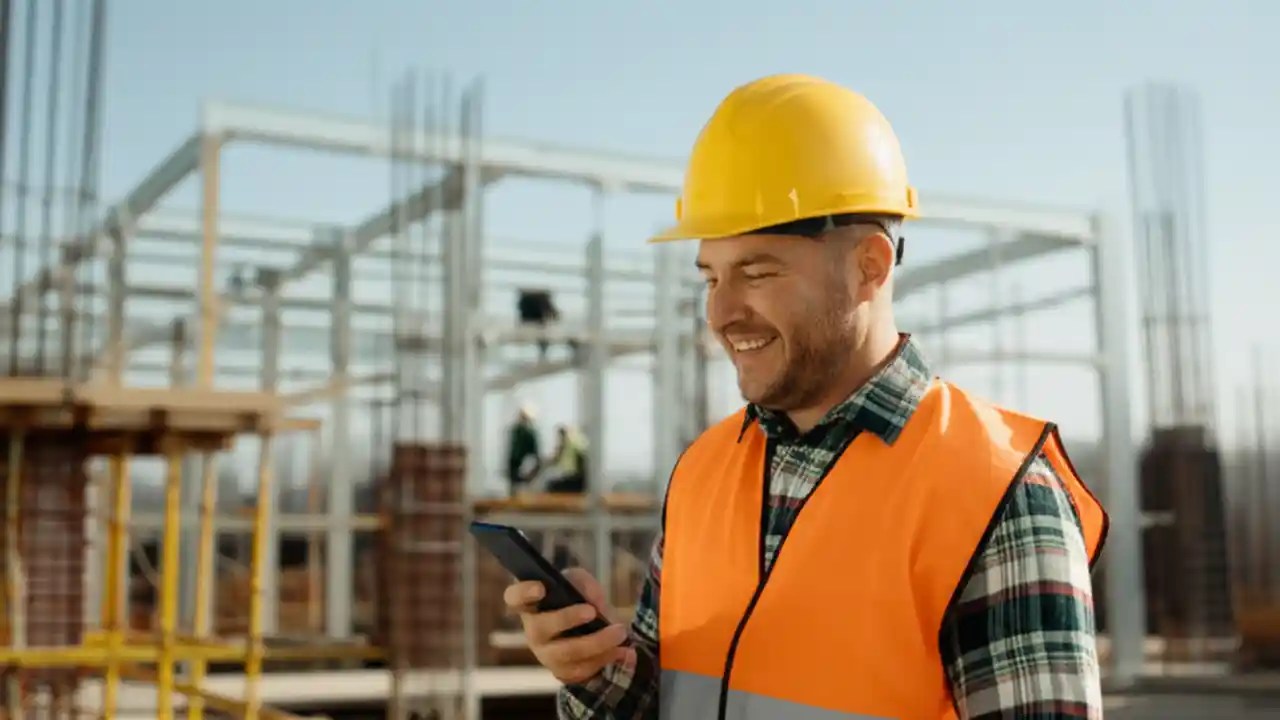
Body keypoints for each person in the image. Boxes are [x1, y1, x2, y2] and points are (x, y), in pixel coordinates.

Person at [503, 74, 1108, 719]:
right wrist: (597, 673)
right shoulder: (704, 472)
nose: (722, 312)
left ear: (870, 265)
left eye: (757, 272)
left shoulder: (995, 491)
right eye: (711, 276)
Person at [505, 404, 542, 497]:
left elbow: (534, 450)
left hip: (525, 462)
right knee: (516, 486)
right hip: (516, 462)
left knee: (525, 487)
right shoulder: (516, 430)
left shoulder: (528, 432)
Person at [543, 424, 589, 494]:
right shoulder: (576, 445)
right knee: (551, 483)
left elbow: (556, 459)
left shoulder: (570, 445)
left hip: (574, 480)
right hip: (576, 480)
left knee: (551, 486)